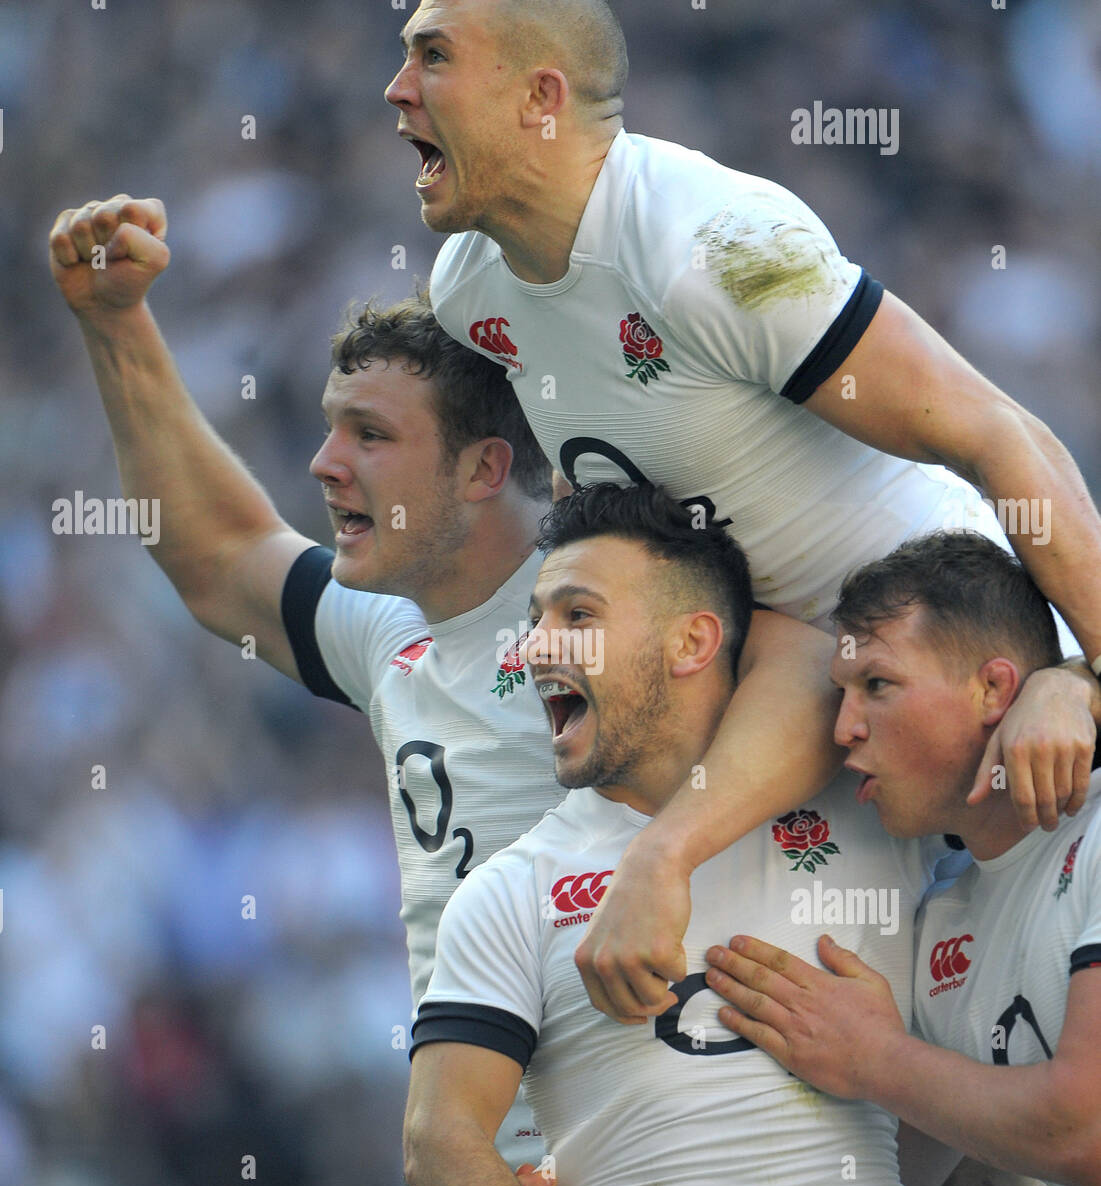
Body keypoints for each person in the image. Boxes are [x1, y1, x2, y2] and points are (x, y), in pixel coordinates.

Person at [47, 194, 853, 1186]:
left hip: (668, 1178)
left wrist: (667, 856)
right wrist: (118, 324)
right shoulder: (390, 626)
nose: (326, 463)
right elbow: (217, 554)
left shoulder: (624, 606)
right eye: (332, 427)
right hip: (479, 1184)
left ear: (483, 469)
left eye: (371, 435)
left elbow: (823, 684)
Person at [384, 0, 1101, 1025]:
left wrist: (1084, 671)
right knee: (908, 1103)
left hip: (978, 700)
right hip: (811, 712)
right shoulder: (469, 293)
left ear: (540, 97)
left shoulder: (708, 248)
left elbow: (996, 435)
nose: (395, 89)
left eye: (432, 57)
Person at [406, 484, 988, 1186]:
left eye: (577, 616)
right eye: (534, 620)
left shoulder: (875, 803)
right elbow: (439, 1141)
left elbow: (993, 711)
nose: (533, 648)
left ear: (691, 641)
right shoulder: (511, 887)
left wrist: (1072, 687)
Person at [705, 531, 1101, 1186]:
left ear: (993, 689)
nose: (842, 727)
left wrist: (873, 1058)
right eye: (842, 693)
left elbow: (1085, 1128)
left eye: (877, 686)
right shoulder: (943, 923)